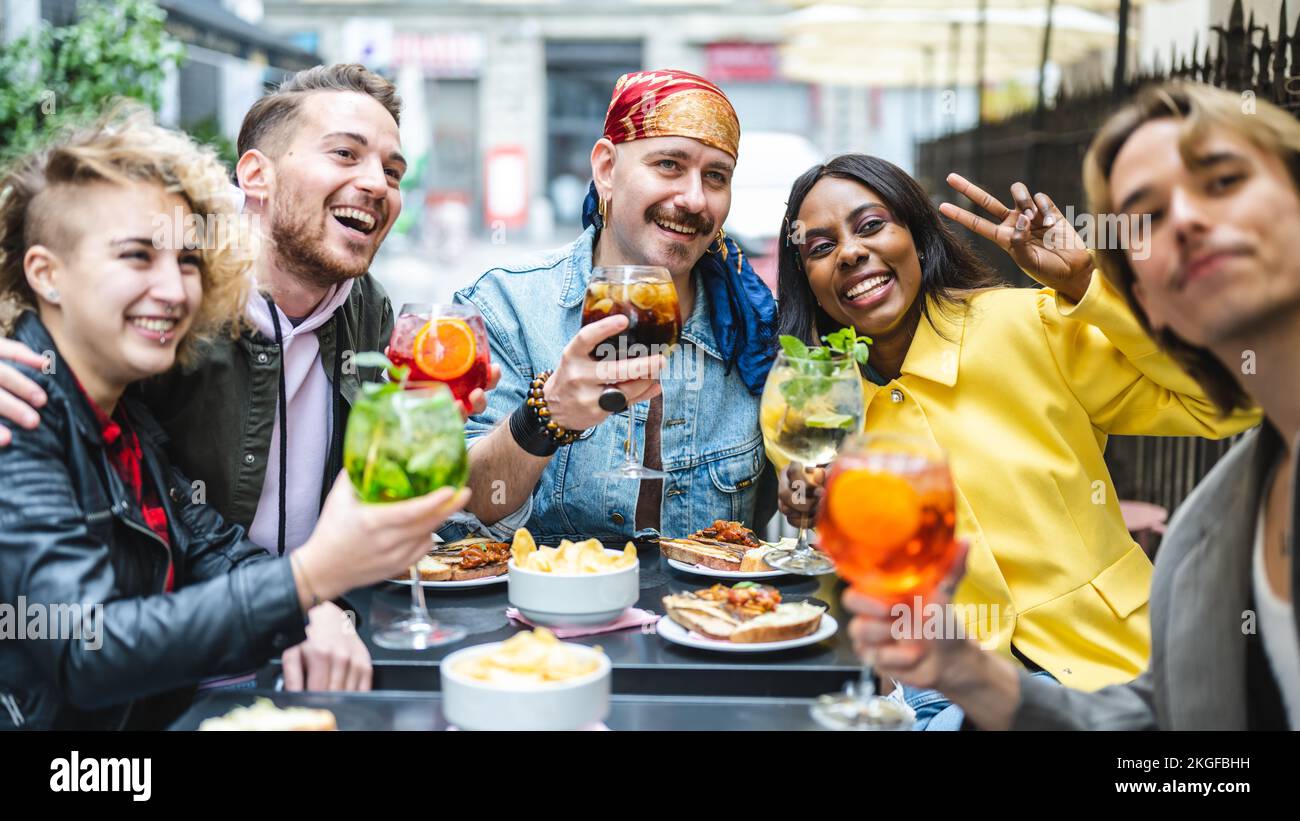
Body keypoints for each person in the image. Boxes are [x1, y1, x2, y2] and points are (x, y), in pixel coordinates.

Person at [0, 64, 499, 691]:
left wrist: (431, 425)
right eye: (137, 256)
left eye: (187, 262)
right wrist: (306, 583)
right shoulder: (26, 406)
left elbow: (199, 535)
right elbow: (86, 651)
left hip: (282, 653)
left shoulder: (121, 400)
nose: (173, 289)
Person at [843, 81, 1300, 730]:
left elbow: (1220, 404)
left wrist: (1088, 287)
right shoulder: (1211, 536)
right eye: (1148, 218)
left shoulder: (1028, 324)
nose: (1189, 224)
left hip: (1103, 653)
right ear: (1148, 293)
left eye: (1223, 180)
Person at [440, 69, 778, 544]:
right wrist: (547, 416)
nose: (694, 198)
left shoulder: (757, 333)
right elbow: (464, 513)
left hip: (711, 615)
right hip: (545, 617)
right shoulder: (504, 308)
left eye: (716, 176)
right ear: (605, 169)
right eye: (669, 165)